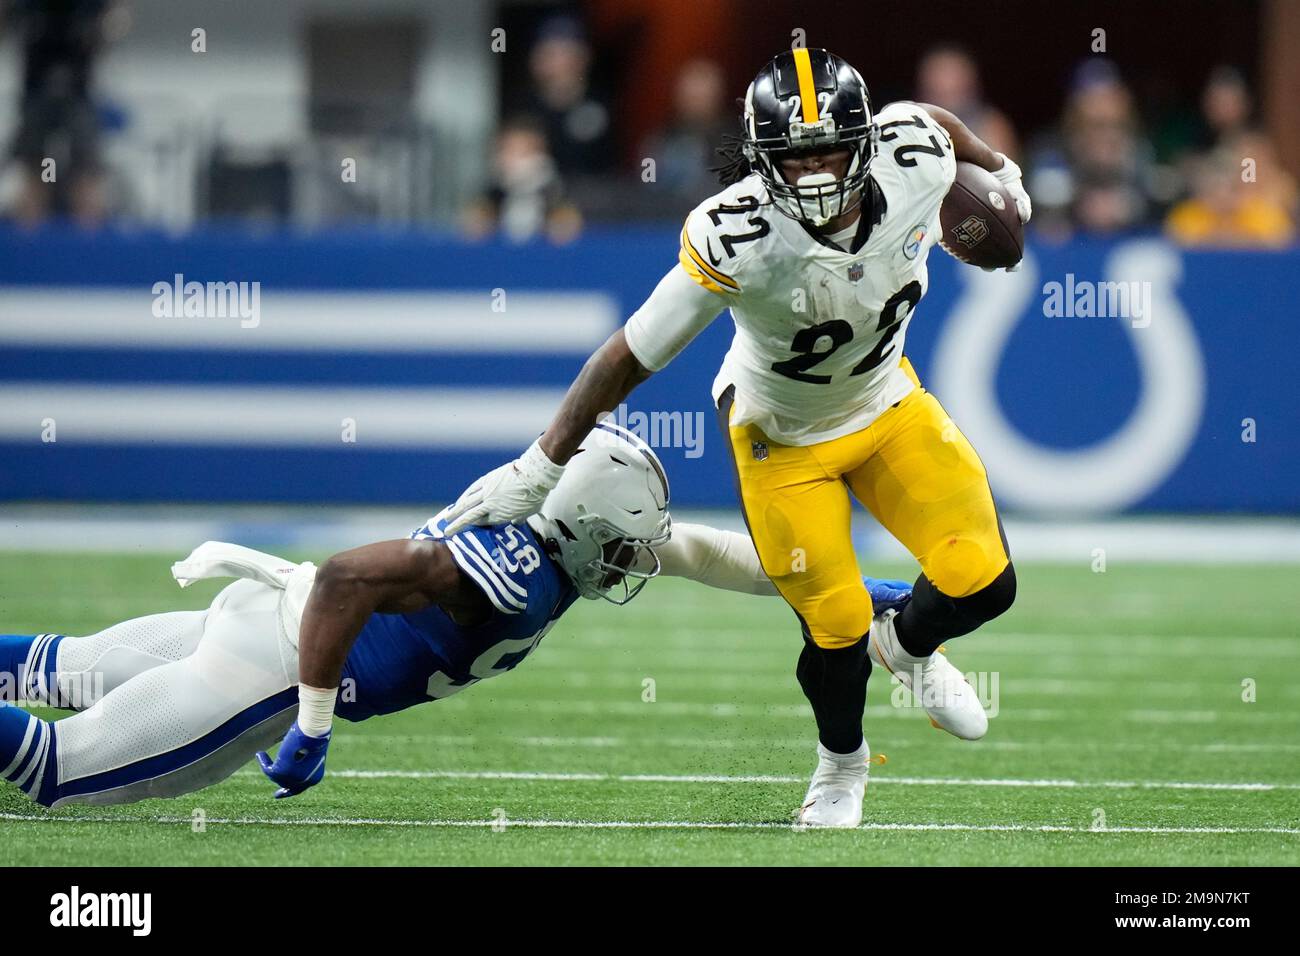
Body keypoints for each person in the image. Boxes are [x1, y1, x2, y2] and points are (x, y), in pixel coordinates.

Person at [441, 49, 1029, 827]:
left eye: (830, 149)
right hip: (779, 435)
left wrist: (1000, 168)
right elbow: (626, 355)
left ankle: (910, 647)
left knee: (986, 581)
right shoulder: (738, 232)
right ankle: (841, 769)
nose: (816, 173)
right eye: (796, 156)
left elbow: (940, 127)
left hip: (888, 400)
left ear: (866, 143)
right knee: (836, 626)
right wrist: (541, 463)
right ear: (760, 160)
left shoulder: (913, 151)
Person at [0, 425, 911, 808]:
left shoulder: (557, 527)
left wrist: (860, 595)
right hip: (263, 669)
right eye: (625, 549)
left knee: (51, 664)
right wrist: (314, 727)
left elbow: (710, 554)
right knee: (52, 773)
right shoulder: (510, 575)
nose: (635, 564)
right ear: (588, 528)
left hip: (257, 620)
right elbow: (350, 579)